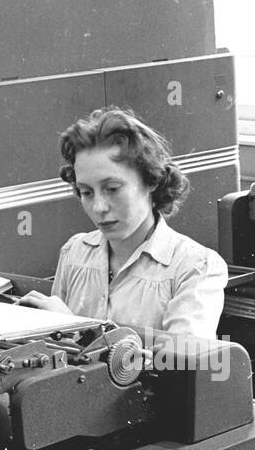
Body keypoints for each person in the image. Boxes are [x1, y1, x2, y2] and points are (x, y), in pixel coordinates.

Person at [20, 106, 228, 340]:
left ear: (152, 181)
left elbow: (179, 366)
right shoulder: (74, 252)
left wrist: (80, 331)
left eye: (112, 189)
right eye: (86, 192)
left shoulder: (195, 267)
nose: (99, 207)